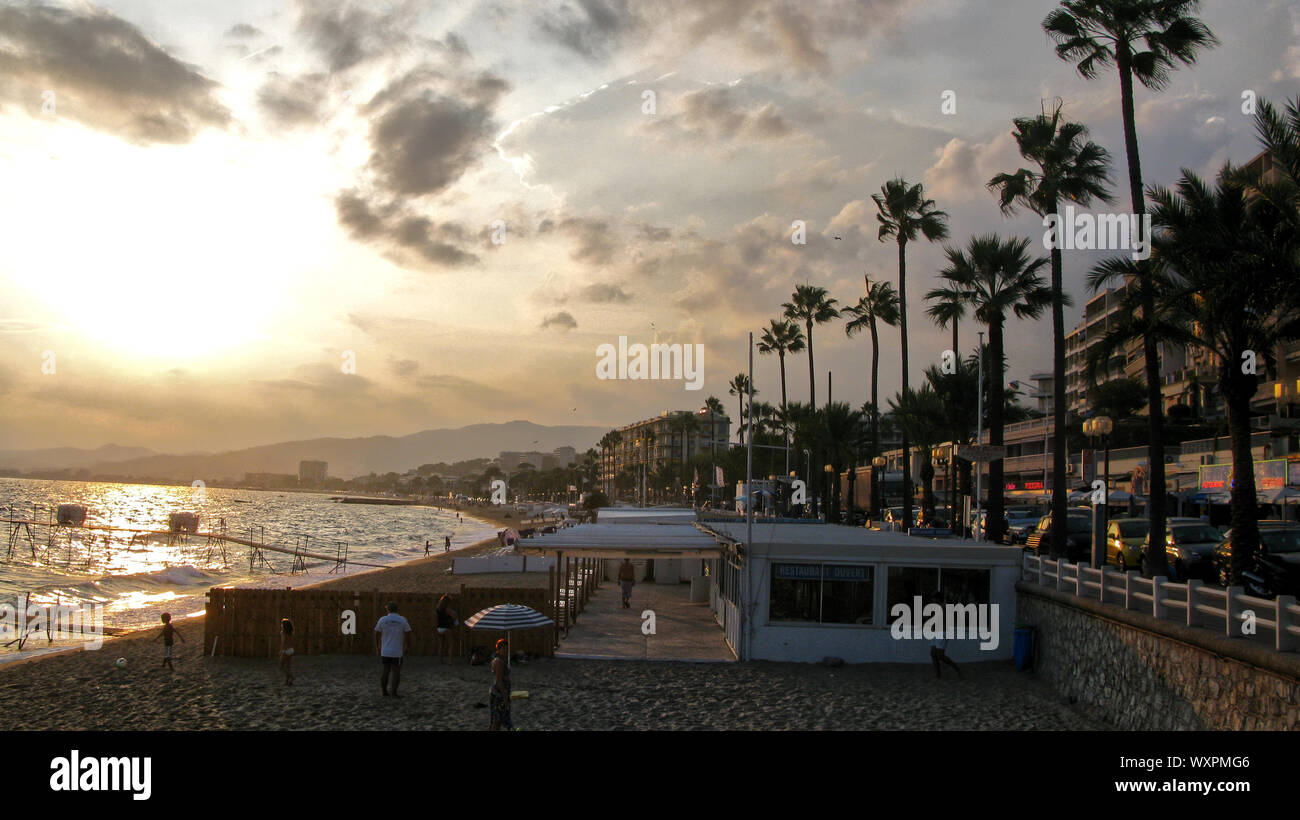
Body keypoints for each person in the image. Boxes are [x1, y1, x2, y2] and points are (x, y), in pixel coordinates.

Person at [374, 602, 411, 697]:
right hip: (397, 650)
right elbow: (408, 633)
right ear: (397, 609)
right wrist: (407, 646)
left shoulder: (383, 619)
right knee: (396, 672)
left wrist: (377, 646)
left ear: (387, 609)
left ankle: (384, 691)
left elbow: (376, 633)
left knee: (385, 671)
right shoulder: (402, 619)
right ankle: (394, 692)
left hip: (385, 649)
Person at [489, 638, 513, 731]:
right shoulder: (498, 662)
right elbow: (499, 681)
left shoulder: (502, 660)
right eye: (504, 649)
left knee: (496, 720)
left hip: (499, 693)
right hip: (498, 694)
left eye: (507, 649)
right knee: (496, 721)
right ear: (498, 649)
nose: (506, 651)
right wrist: (505, 697)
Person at [435, 595, 459, 664]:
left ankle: (441, 660)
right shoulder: (447, 609)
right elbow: (454, 617)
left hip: (439, 628)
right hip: (447, 628)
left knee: (441, 645)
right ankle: (450, 661)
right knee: (450, 645)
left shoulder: (438, 609)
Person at [279, 618, 296, 685]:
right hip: (291, 650)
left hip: (285, 650)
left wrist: (281, 650)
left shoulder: (283, 632)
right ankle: (287, 681)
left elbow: (283, 642)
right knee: (288, 666)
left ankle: (292, 677)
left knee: (281, 666)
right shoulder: (291, 633)